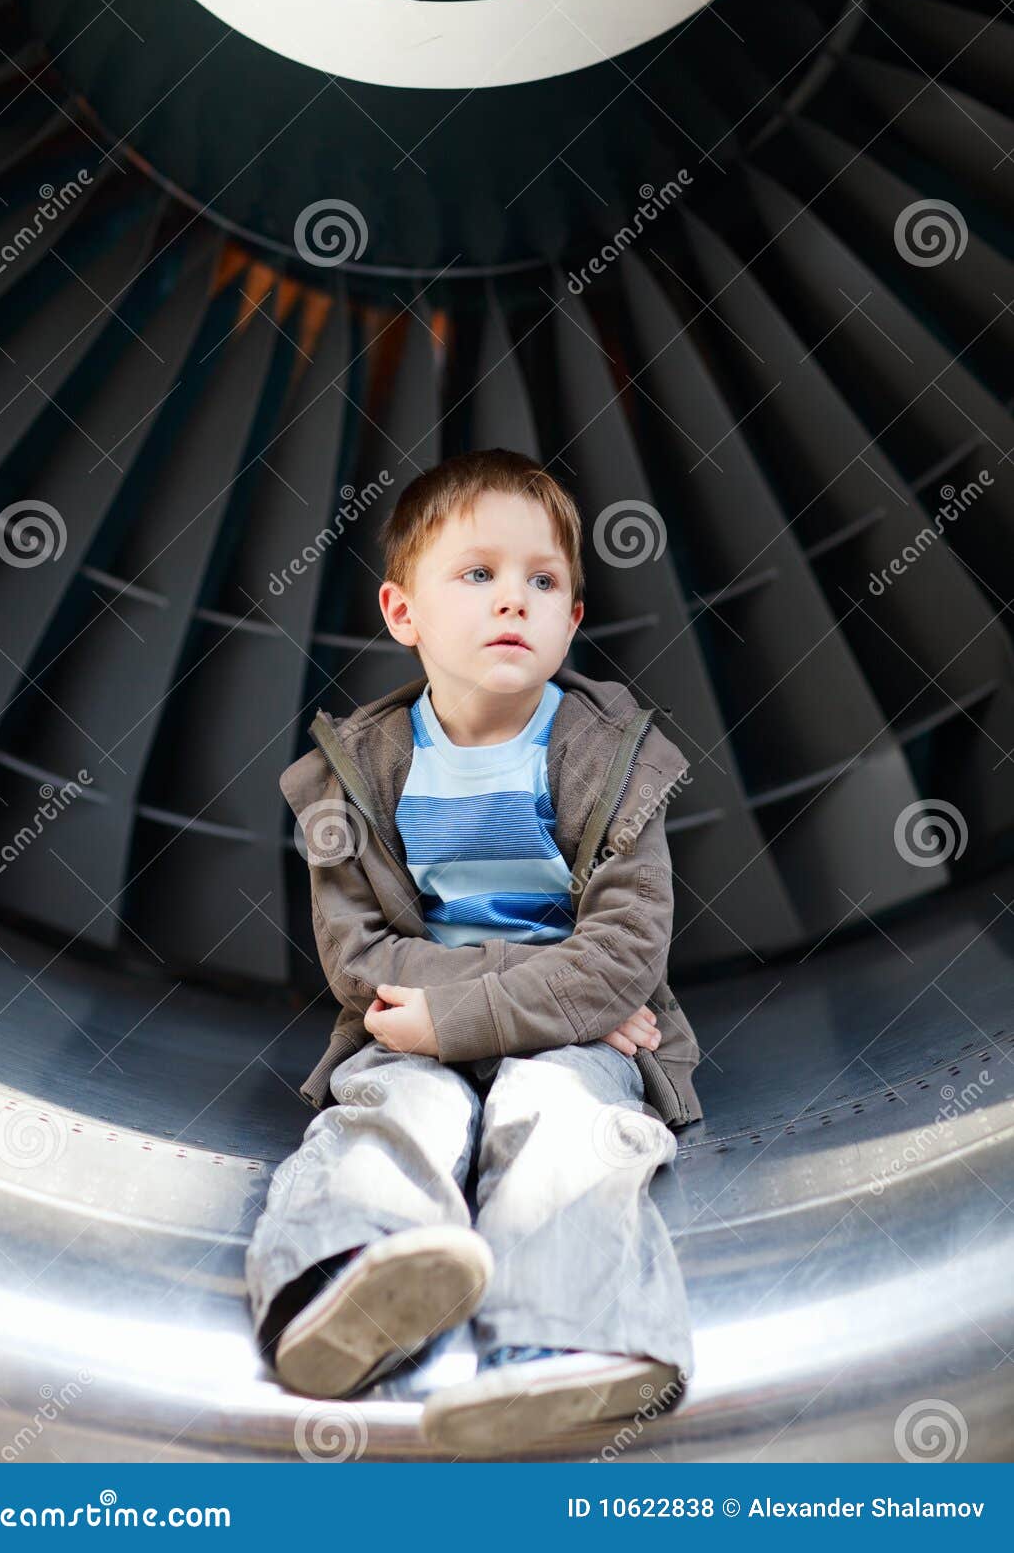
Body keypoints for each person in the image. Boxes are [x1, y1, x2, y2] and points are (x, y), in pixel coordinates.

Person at [245, 447, 703, 1454]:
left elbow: (625, 953)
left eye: (544, 581)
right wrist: (526, 996)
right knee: (391, 1110)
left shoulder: (612, 756)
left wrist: (482, 1009)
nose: (514, 601)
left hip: (565, 1038)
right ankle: (339, 1285)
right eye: (477, 574)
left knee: (564, 1120)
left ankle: (569, 1351)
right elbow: (357, 961)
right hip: (428, 1024)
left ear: (571, 621)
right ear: (401, 613)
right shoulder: (349, 776)